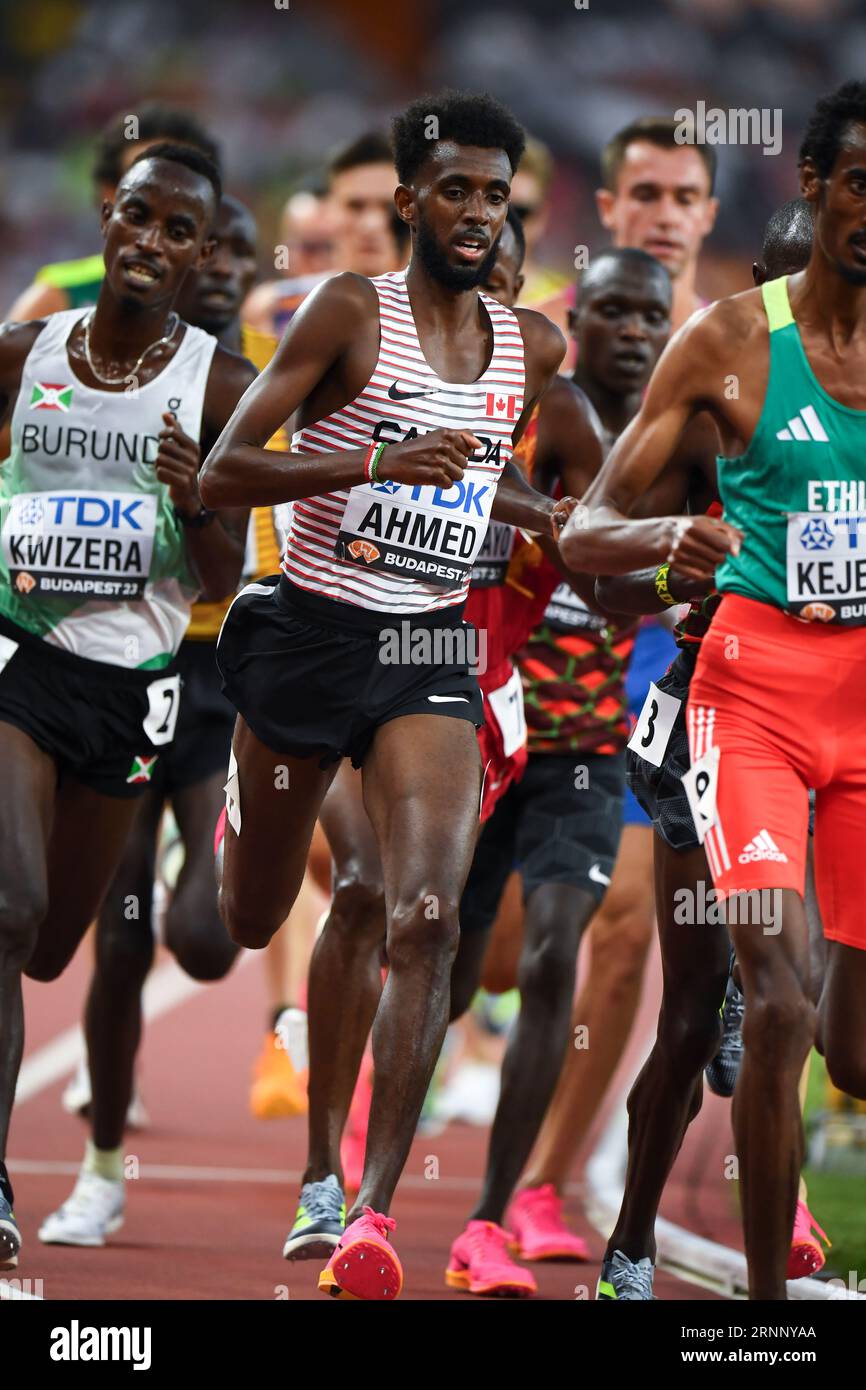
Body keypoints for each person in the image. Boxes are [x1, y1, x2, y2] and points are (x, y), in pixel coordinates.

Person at [200, 88, 576, 1301]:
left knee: (414, 908)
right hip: (304, 636)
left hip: (425, 649)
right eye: (453, 191)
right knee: (258, 917)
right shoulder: (348, 312)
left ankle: (360, 1207)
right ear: (408, 202)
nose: (475, 213)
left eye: (493, 194)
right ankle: (239, 831)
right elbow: (223, 473)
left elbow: (475, 482)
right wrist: (367, 456)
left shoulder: (530, 346)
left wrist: (554, 517)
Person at [565, 81, 866, 1301]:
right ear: (811, 187)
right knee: (758, 994)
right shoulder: (727, 344)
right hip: (739, 686)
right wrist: (660, 549)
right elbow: (589, 535)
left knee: (845, 1050)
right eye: (857, 185)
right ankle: (741, 1300)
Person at [0, 145, 257, 1270]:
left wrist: (193, 490)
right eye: (136, 216)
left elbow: (218, 576)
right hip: (19, 656)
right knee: (8, 911)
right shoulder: (22, 356)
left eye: (177, 230)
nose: (150, 241)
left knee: (55, 945)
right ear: (108, 215)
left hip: (136, 687)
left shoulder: (218, 387)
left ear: (200, 254)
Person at [444, 248, 683, 1296]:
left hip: (587, 743)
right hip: (476, 719)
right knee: (452, 963)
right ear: (576, 319)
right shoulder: (532, 411)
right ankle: (358, 1174)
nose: (633, 331)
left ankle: (488, 1217)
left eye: (651, 316)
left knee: (552, 959)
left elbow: (646, 591)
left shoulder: (688, 441)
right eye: (613, 312)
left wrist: (678, 568)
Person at [536, 115, 719, 370]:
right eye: (646, 195)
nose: (667, 217)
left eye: (685, 199)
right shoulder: (541, 338)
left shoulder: (734, 346)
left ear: (709, 215)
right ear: (608, 208)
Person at [6, 104, 221, 321]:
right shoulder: (60, 298)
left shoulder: (229, 306)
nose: (164, 195)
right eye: (145, 184)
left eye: (182, 185)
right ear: (109, 197)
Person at [242, 133, 402, 340]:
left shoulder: (448, 313)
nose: (371, 224)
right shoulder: (275, 311)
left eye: (389, 207)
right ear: (329, 210)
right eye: (355, 206)